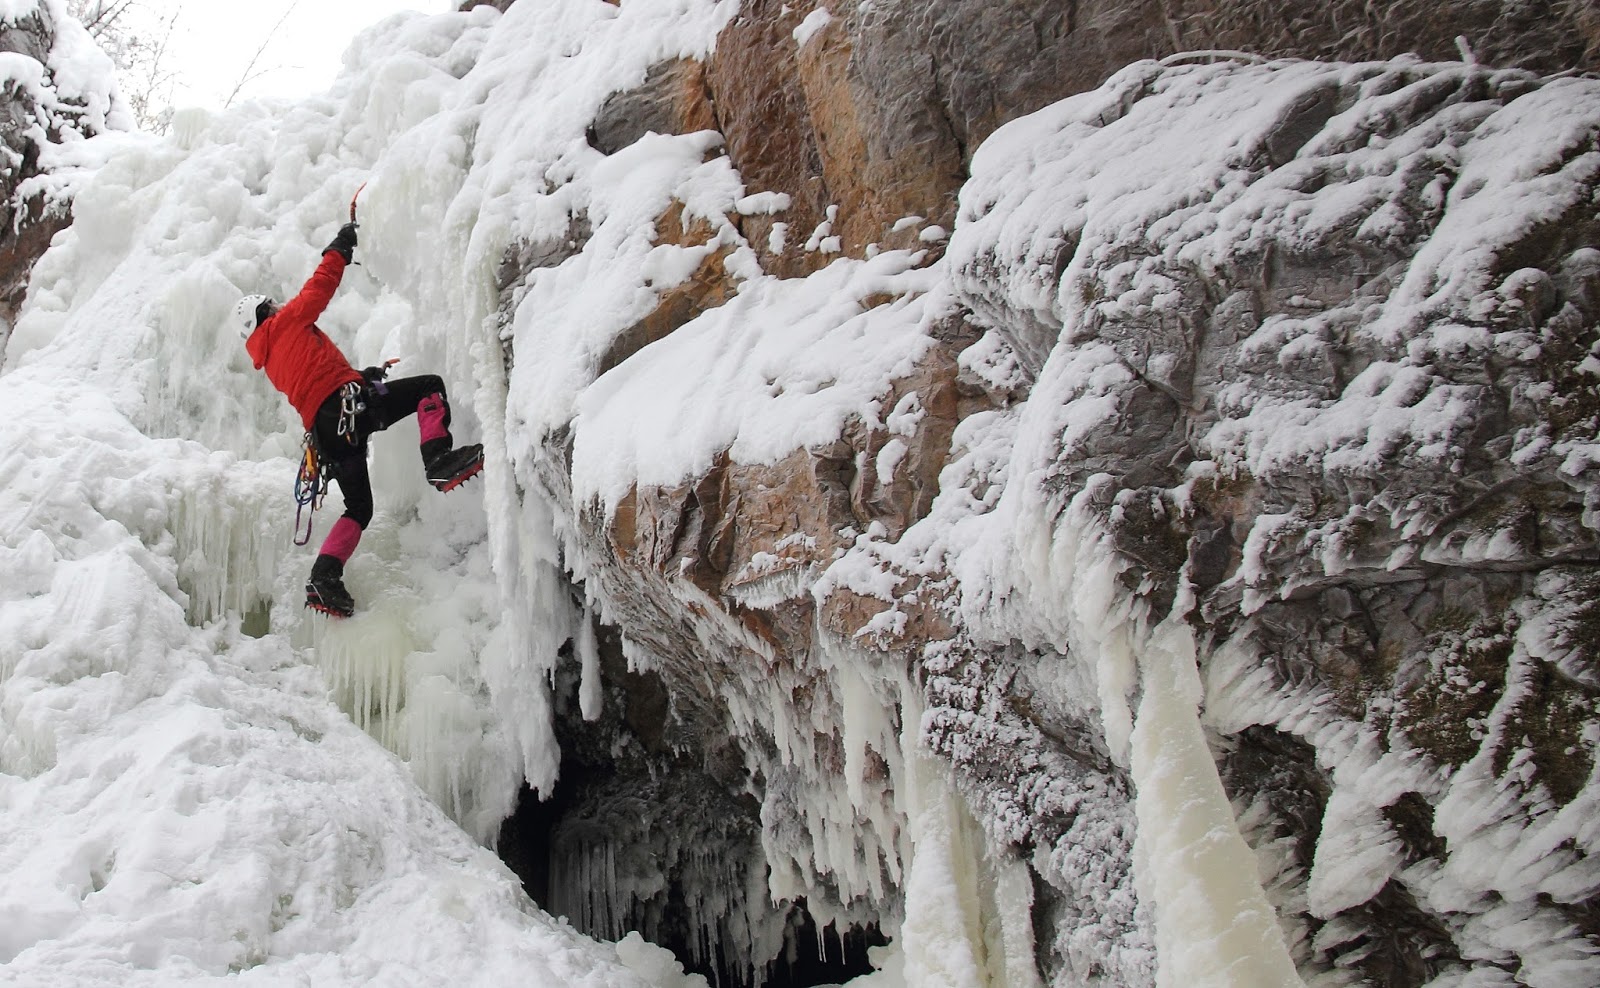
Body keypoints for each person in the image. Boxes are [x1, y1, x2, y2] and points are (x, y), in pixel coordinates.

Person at [232, 218, 483, 618]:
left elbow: (316, 380)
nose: (280, 306)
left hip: (327, 432)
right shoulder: (286, 323)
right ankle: (438, 459)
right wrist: (340, 246)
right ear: (266, 312)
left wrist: (363, 378)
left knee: (359, 509)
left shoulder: (272, 361)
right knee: (428, 386)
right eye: (273, 305)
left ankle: (324, 578)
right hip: (349, 407)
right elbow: (320, 286)